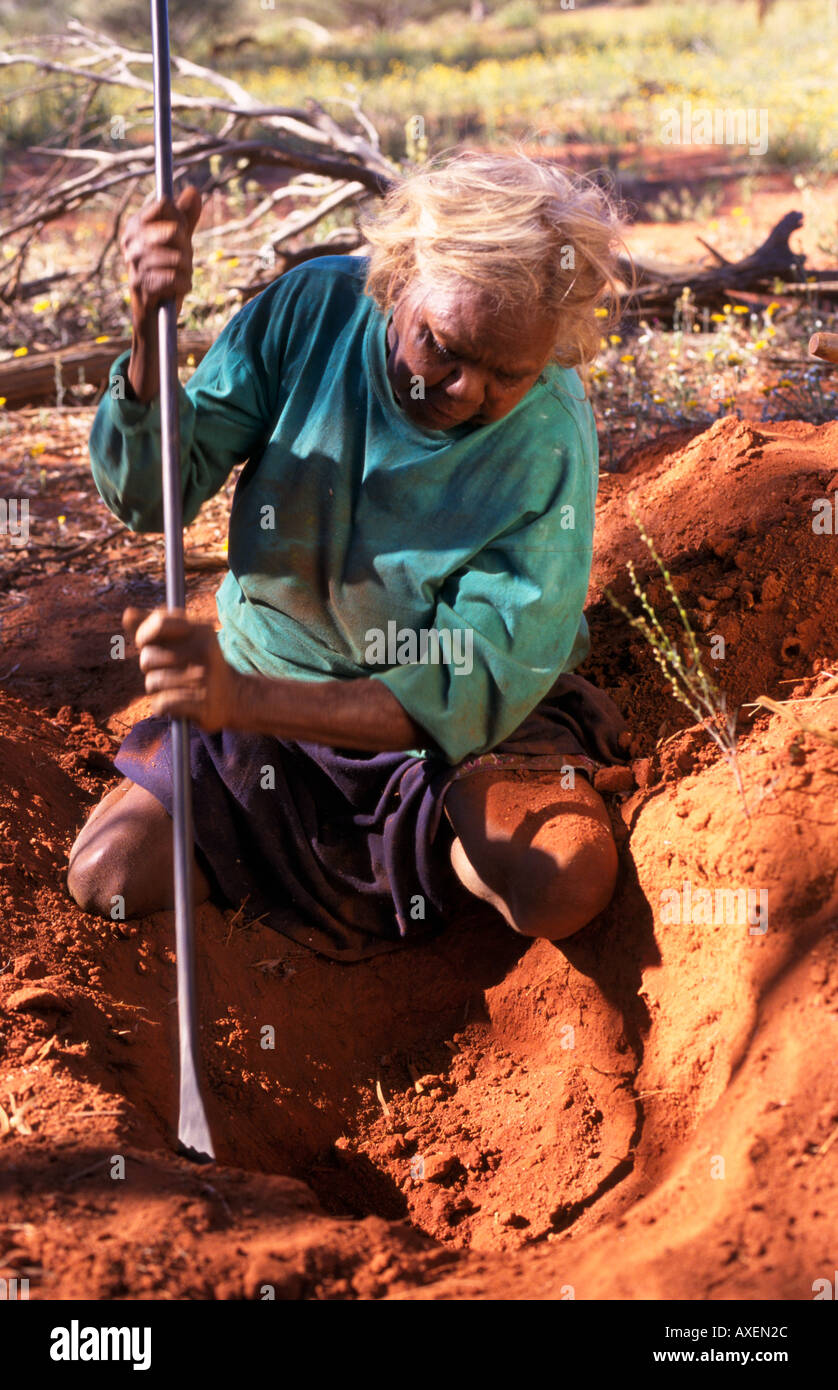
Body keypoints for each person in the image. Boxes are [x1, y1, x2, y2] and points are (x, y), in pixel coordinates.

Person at [68, 151, 629, 962]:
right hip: (267, 693)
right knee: (109, 877)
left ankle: (439, 857)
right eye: (443, 347)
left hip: (447, 737)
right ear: (397, 276)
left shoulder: (548, 437)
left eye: (508, 373)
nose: (466, 391)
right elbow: (152, 496)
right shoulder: (312, 309)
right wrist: (149, 329)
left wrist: (239, 699)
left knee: (560, 881)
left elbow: (462, 689)